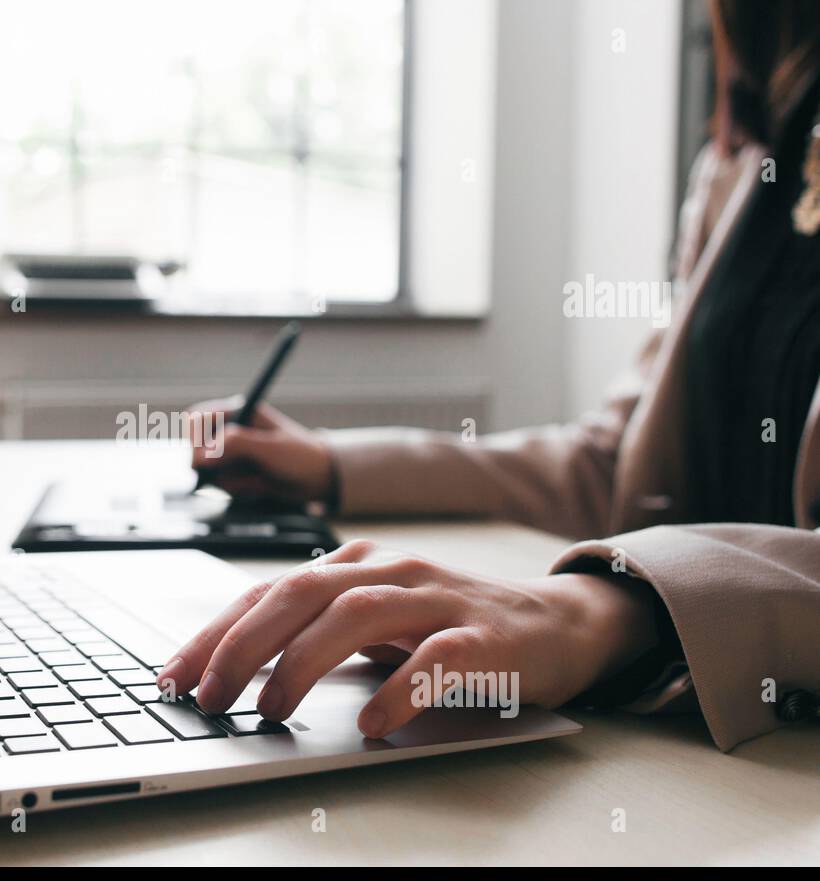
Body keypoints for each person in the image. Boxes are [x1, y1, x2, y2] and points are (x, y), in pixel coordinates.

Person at [157, 0, 820, 752]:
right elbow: (614, 465)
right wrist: (331, 465)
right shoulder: (746, 157)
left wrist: (608, 611)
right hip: (678, 730)